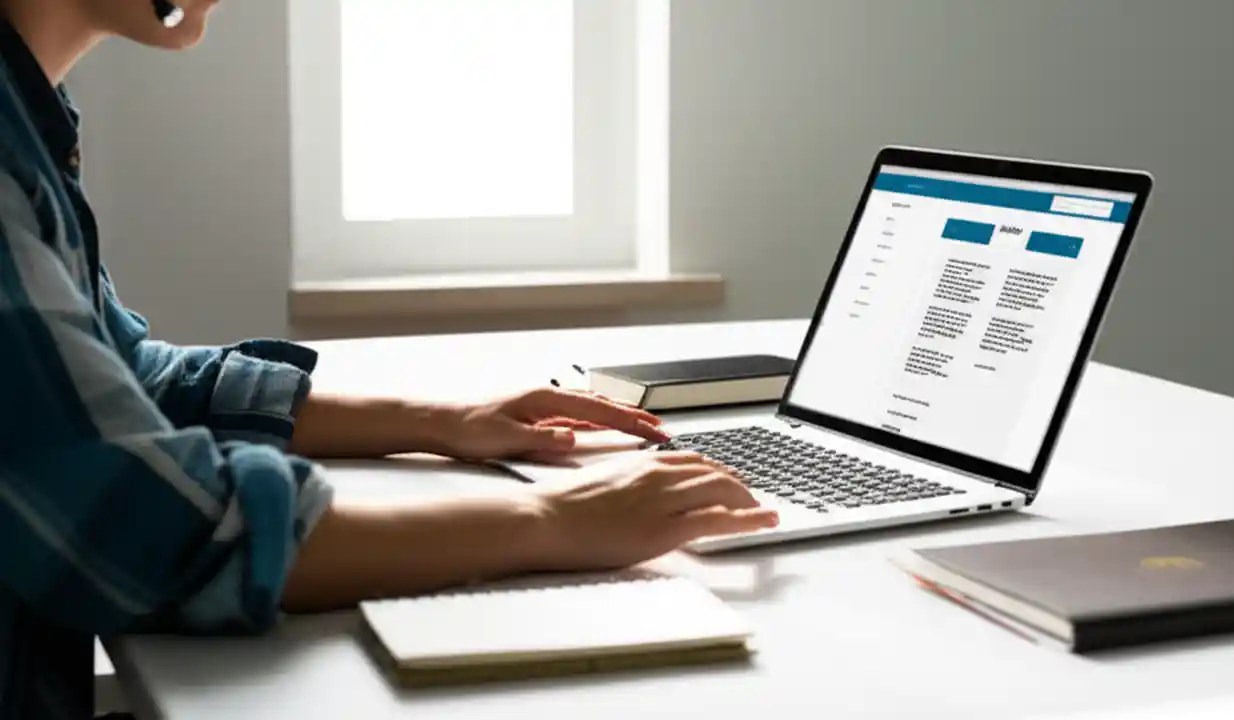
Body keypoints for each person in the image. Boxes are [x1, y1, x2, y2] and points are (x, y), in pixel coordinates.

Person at [0, 1, 780, 716]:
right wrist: (551, 519)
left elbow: (131, 380)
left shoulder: (29, 119)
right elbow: (149, 526)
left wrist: (444, 421)